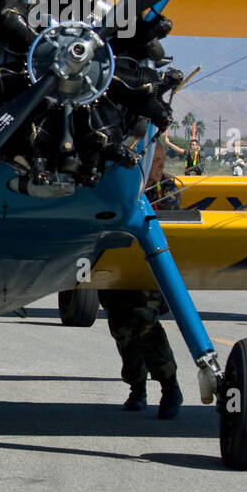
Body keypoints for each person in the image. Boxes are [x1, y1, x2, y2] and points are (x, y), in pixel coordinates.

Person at [97, 146, 182, 418]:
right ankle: (137, 387)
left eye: (160, 161)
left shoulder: (167, 190)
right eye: (153, 160)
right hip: (117, 272)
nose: (157, 166)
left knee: (143, 321)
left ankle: (169, 387)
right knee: (121, 330)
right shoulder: (117, 185)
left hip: (150, 274)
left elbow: (169, 231)